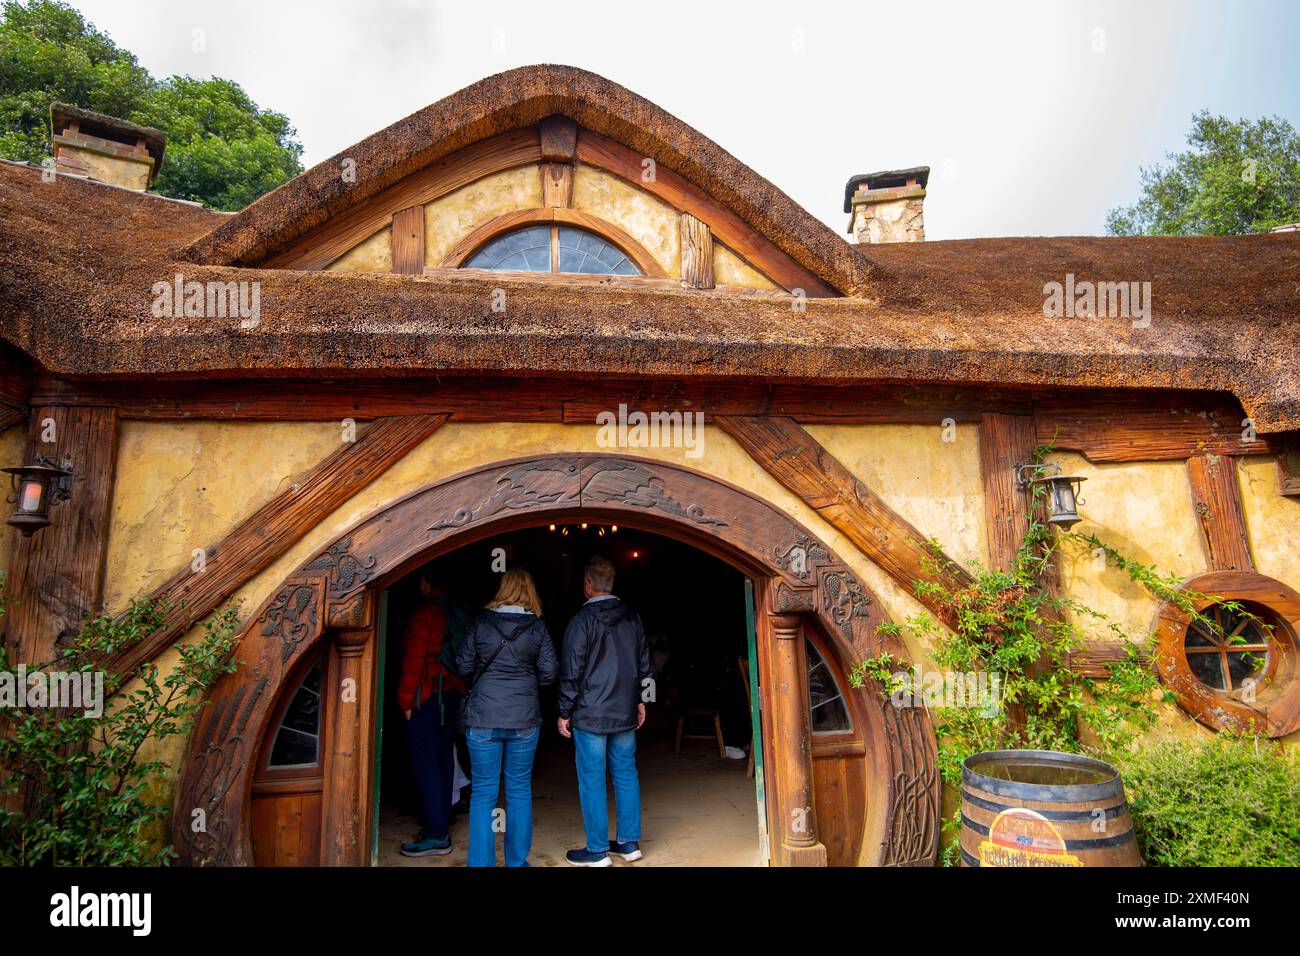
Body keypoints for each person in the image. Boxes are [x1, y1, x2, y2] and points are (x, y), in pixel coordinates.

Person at [456, 568, 557, 867]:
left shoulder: (481, 623)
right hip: (523, 719)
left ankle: (481, 863)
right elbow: (550, 673)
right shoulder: (538, 628)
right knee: (519, 790)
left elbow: (462, 665)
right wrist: (525, 680)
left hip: (484, 717)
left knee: (484, 793)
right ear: (530, 592)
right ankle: (516, 861)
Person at [557, 555, 651, 866]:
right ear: (610, 584)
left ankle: (597, 850)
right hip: (623, 709)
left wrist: (564, 710)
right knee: (626, 773)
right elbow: (643, 661)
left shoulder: (580, 621)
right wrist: (640, 699)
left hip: (590, 713)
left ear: (587, 585)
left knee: (592, 779)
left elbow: (571, 670)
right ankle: (628, 843)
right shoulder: (632, 617)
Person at [396, 577, 467, 857]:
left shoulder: (424, 614)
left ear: (425, 581)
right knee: (444, 757)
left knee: (426, 762)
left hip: (426, 696)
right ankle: (443, 814)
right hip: (450, 694)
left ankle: (437, 833)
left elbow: (413, 661)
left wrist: (405, 700)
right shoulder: (455, 611)